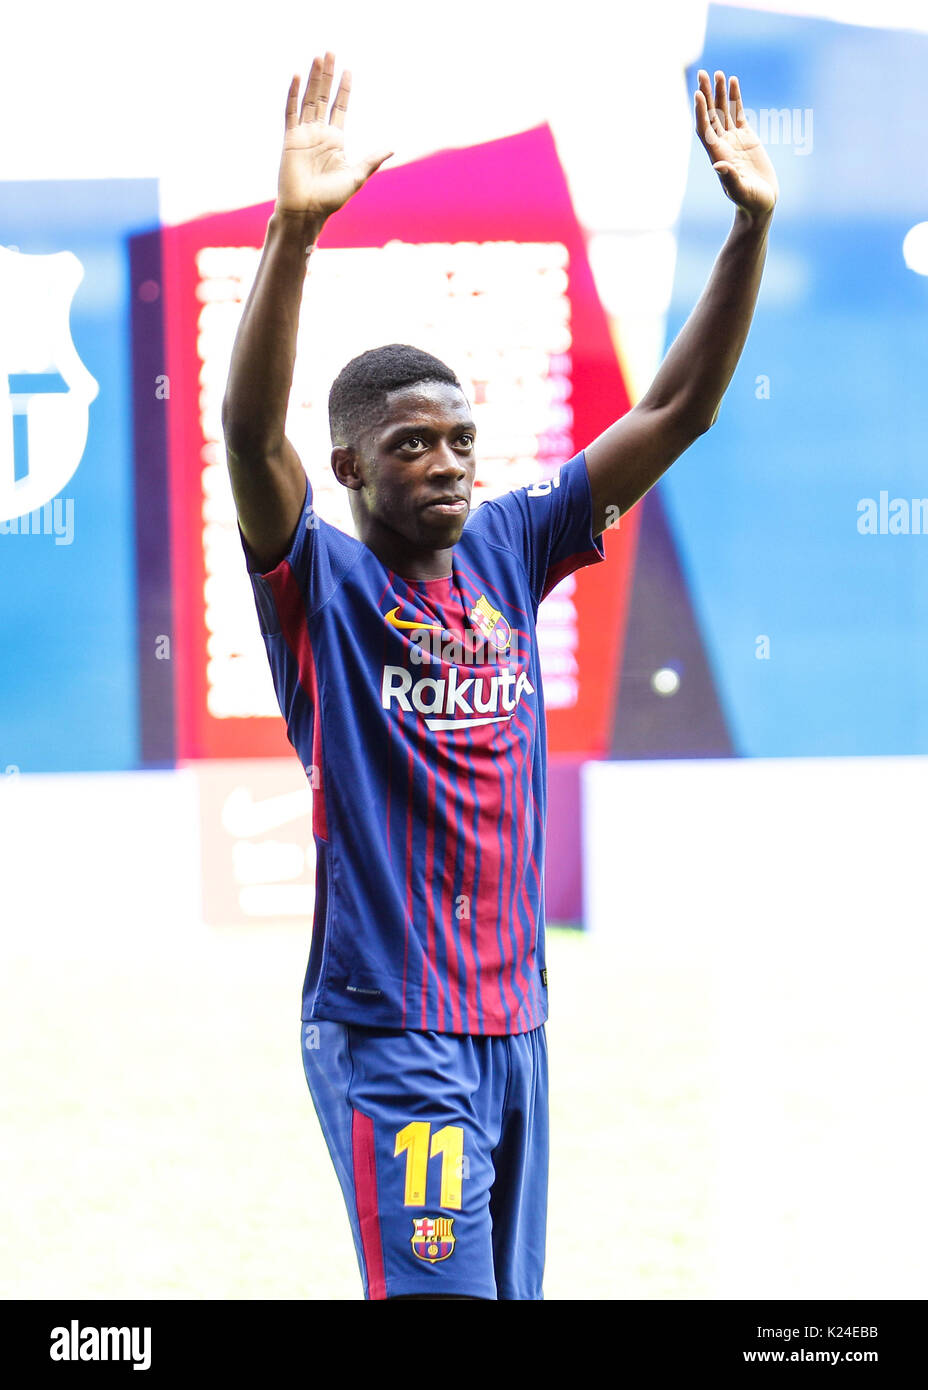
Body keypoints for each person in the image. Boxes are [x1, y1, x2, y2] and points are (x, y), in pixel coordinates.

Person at [221, 51, 778, 1300]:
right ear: (352, 471)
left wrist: (745, 226)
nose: (446, 463)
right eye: (408, 446)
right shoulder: (319, 585)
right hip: (392, 1035)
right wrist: (292, 233)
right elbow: (249, 435)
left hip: (515, 1028)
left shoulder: (514, 548)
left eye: (460, 439)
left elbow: (679, 408)